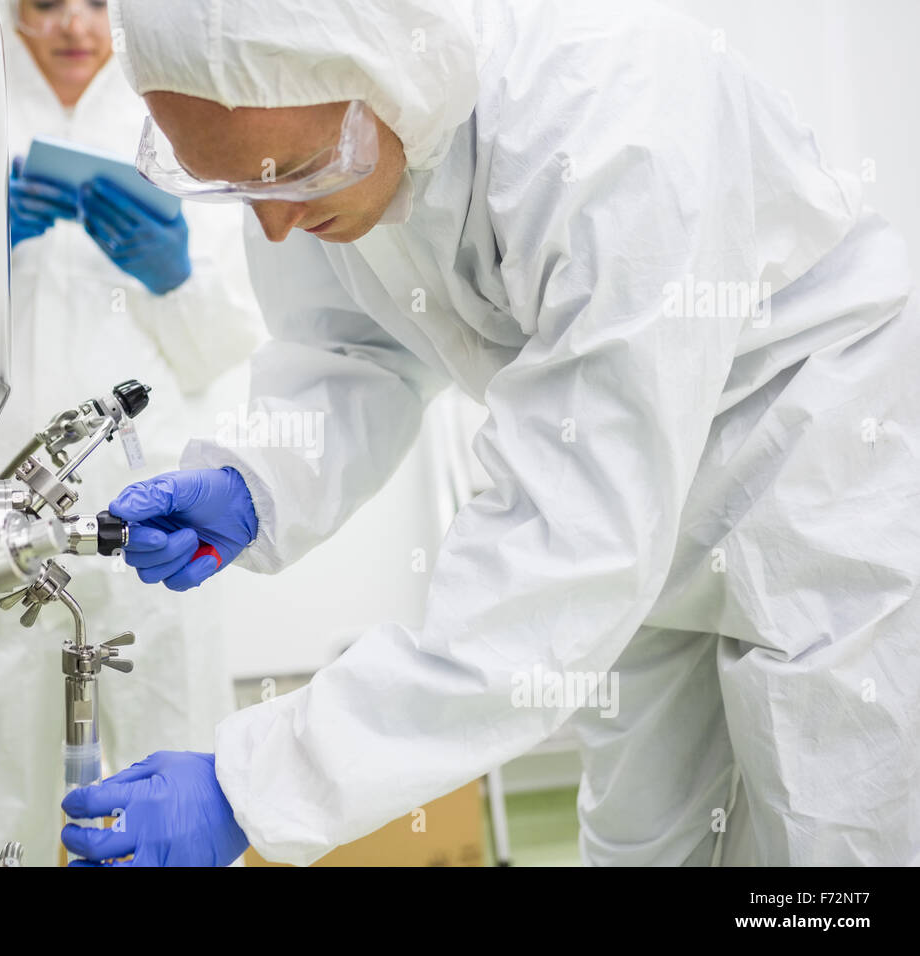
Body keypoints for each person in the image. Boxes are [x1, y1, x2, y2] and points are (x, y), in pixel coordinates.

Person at [60, 0, 920, 867]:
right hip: (639, 517)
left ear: (387, 79)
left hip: (810, 480)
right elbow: (351, 343)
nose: (275, 223)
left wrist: (258, 785)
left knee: (830, 851)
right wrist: (257, 480)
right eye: (242, 188)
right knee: (641, 844)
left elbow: (570, 541)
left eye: (299, 174)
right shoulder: (328, 141)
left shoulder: (613, 124)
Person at [0, 0, 262, 866]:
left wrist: (175, 273)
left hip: (149, 507)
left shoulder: (181, 112)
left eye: (94, 3)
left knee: (176, 750)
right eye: (47, 5)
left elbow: (229, 342)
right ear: (10, 12)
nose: (75, 25)